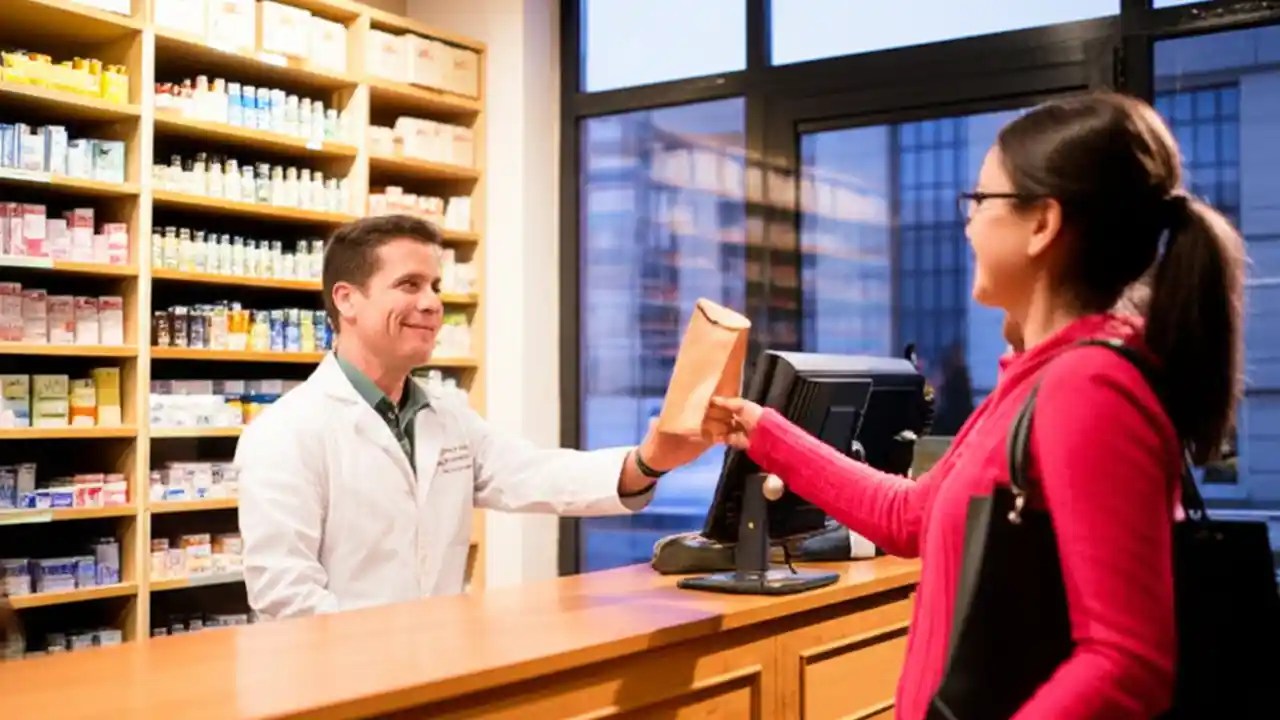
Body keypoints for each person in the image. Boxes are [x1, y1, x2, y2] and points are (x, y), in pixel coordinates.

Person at [710, 91, 1244, 719]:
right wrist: (768, 432)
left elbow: (1126, 665)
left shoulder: (1091, 388)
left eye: (981, 201)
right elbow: (909, 514)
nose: (967, 224)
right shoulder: (1037, 381)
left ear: (1042, 223)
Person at [235, 215, 714, 619]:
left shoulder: (445, 417)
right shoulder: (284, 434)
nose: (432, 303)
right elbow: (285, 593)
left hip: (437, 670)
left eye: (435, 286)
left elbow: (534, 474)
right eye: (409, 284)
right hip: (337, 687)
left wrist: (650, 459)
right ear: (346, 300)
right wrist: (382, 659)